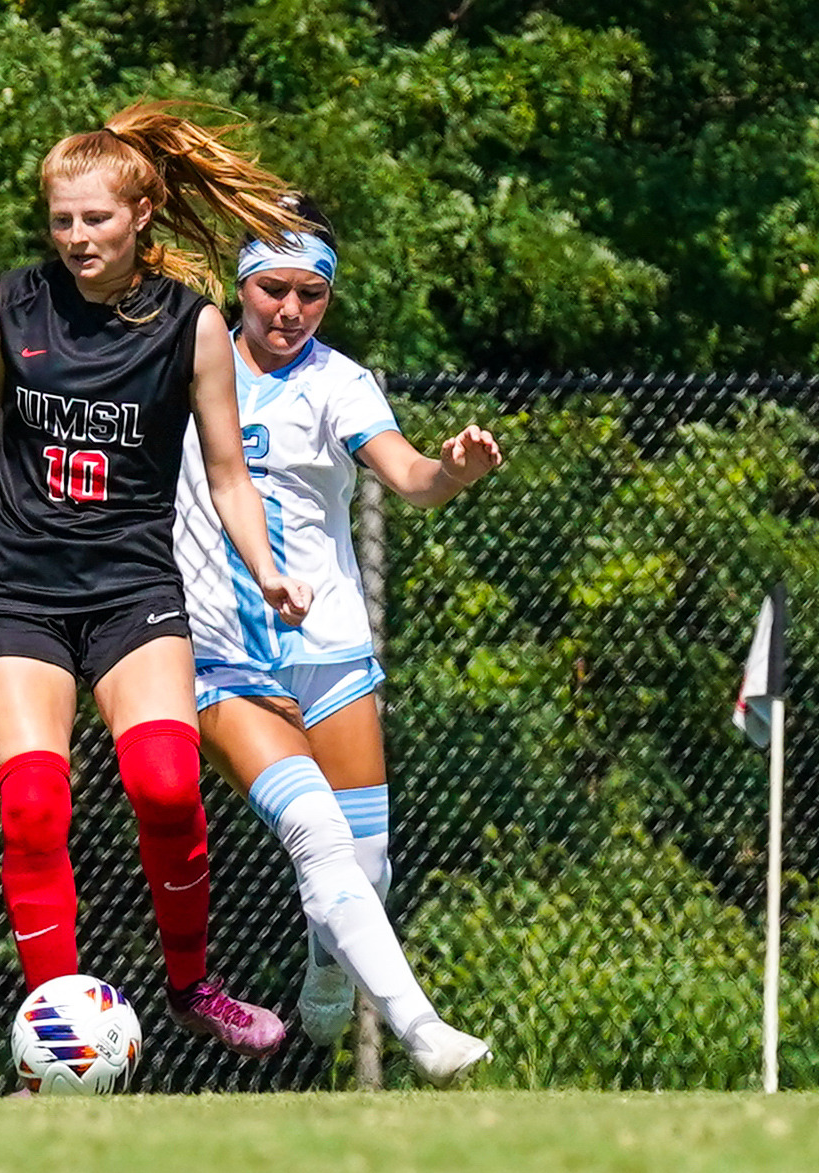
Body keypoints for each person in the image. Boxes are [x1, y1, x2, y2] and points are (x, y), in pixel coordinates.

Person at [0, 101, 317, 1061]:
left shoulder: (194, 325)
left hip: (133, 589)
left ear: (140, 214)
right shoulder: (6, 305)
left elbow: (226, 474)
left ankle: (190, 986)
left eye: (95, 218)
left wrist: (267, 570)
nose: (77, 237)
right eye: (62, 220)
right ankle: (59, 1040)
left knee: (169, 785)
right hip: (17, 592)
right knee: (34, 805)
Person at [172, 195, 503, 1086]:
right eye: (273, 289)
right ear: (238, 287)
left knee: (367, 866)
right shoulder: (184, 365)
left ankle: (326, 964)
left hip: (333, 656)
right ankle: (423, 1029)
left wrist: (452, 471)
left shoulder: (338, 380)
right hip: (225, 661)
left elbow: (406, 474)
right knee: (317, 837)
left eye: (310, 294)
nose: (290, 310)